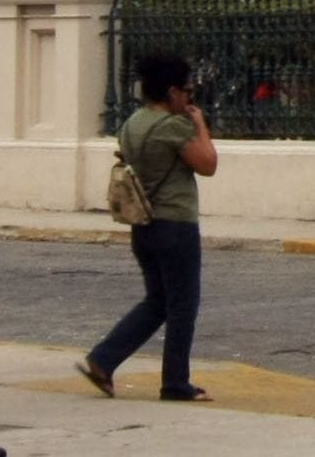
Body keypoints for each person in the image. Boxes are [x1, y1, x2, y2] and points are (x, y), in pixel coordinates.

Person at [83, 50, 216, 403]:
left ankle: (103, 359)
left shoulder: (132, 124)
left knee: (157, 301)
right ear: (172, 92)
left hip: (143, 224)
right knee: (182, 306)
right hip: (176, 224)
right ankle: (176, 383)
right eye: (188, 91)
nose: (190, 97)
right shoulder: (173, 126)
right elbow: (207, 164)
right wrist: (200, 123)